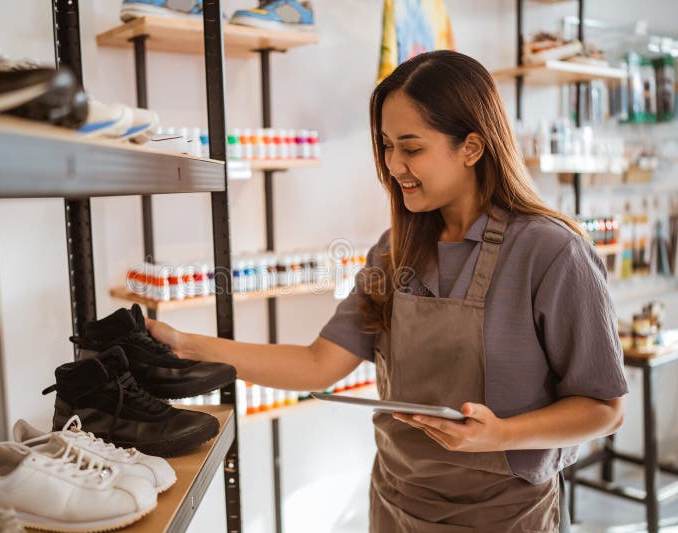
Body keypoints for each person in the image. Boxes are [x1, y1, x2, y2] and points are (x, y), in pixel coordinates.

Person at [146, 50, 628, 532]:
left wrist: (501, 434)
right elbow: (318, 364)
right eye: (386, 146)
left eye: (411, 147)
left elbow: (603, 408)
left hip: (502, 516)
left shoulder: (551, 252)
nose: (394, 164)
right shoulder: (396, 249)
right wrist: (186, 347)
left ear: (472, 147)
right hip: (396, 505)